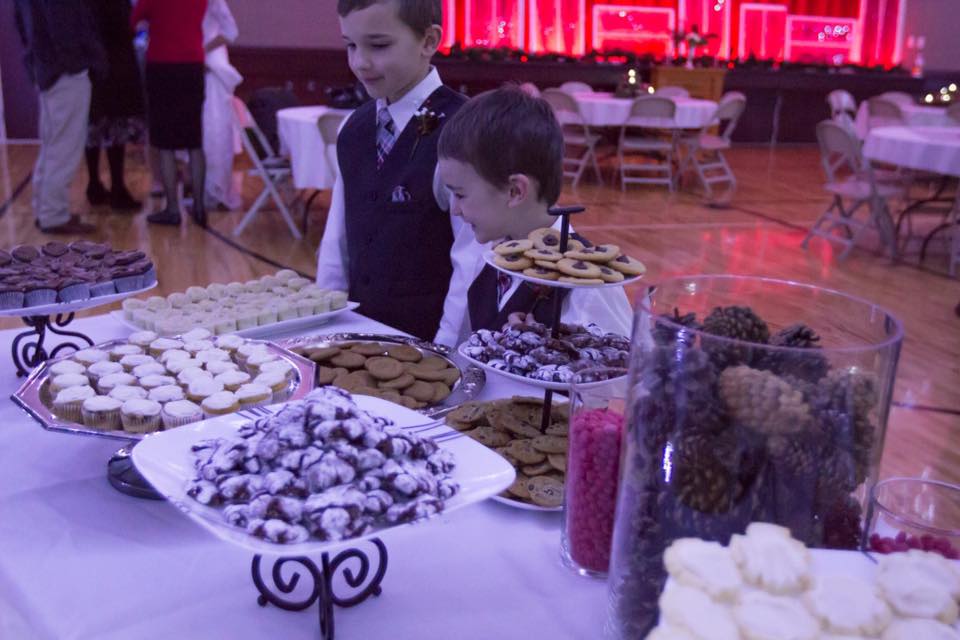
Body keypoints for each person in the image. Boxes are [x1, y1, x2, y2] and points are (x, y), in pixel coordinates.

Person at [316, 0, 482, 345]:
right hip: (355, 339)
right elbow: (336, 240)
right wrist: (326, 326)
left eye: (378, 45)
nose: (360, 62)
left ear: (428, 41)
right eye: (351, 45)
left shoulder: (465, 131)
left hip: (428, 344)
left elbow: (471, 259)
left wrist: (445, 349)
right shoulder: (354, 128)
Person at [437, 86, 633, 336]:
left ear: (515, 191)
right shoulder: (487, 257)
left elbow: (625, 359)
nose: (454, 210)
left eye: (460, 194)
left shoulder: (590, 291)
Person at [14, 0, 106, 234]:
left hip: (47, 71)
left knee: (52, 145)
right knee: (64, 147)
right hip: (65, 72)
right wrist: (82, 61)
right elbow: (65, 28)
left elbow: (22, 26)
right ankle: (53, 215)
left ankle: (45, 210)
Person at [131, 0, 208, 227]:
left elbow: (134, 20)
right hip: (193, 65)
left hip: (162, 65)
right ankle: (200, 207)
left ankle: (173, 209)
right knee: (195, 141)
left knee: (165, 143)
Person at [85, 0, 146, 212]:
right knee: (116, 131)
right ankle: (118, 189)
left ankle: (94, 185)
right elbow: (126, 27)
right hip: (116, 68)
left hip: (91, 68)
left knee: (93, 130)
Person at [201, 0, 242, 211]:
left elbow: (230, 31)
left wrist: (201, 50)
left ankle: (217, 189)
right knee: (202, 131)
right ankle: (201, 187)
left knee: (215, 129)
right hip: (194, 63)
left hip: (211, 64)